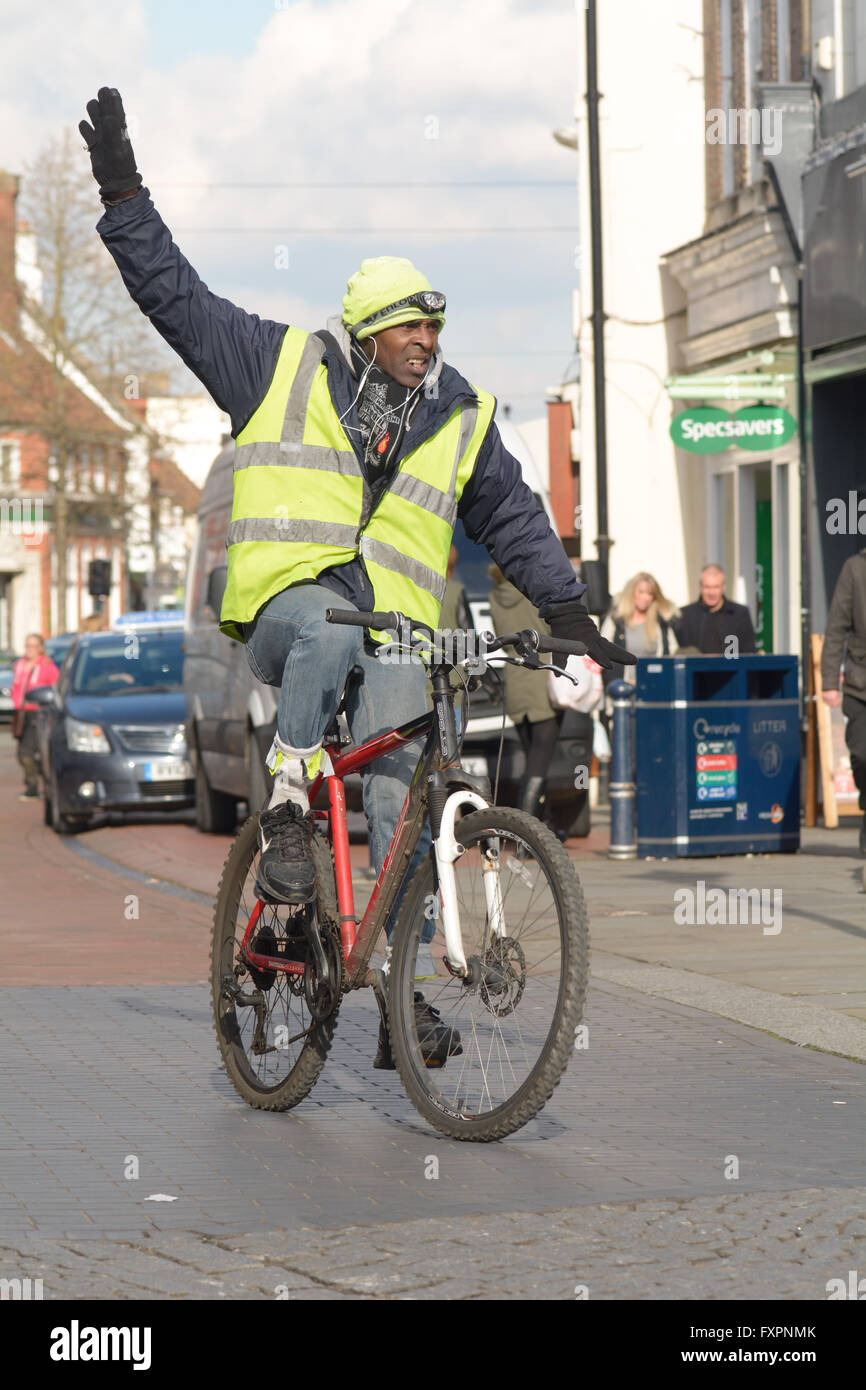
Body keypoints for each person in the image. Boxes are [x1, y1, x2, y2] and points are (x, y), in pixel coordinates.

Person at [80, 87, 633, 1061]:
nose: (426, 339)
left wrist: (569, 616)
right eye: (408, 326)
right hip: (286, 616)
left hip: (396, 636)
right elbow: (175, 296)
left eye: (435, 325)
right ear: (368, 331)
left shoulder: (455, 415)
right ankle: (288, 808)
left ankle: (393, 999)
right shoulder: (275, 365)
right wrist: (123, 192)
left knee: (400, 803)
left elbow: (511, 515)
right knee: (334, 625)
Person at [488, 565, 561, 822]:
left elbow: (501, 636)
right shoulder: (534, 592)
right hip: (543, 677)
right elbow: (551, 631)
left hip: (515, 678)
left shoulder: (495, 594)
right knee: (540, 760)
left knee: (532, 755)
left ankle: (545, 824)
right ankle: (526, 828)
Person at [821, 545, 866, 856]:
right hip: (860, 683)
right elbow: (836, 627)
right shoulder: (855, 568)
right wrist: (828, 682)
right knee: (862, 755)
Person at [600, 572, 679, 699]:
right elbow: (602, 650)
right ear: (632, 593)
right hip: (622, 691)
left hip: (653, 689)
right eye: (641, 592)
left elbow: (673, 652)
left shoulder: (661, 623)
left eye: (650, 594)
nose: (645, 597)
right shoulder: (617, 620)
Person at [11, 634, 59, 800]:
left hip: (38, 713)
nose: (29, 650)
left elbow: (55, 688)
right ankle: (45, 780)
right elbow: (16, 687)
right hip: (21, 713)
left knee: (27, 752)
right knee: (25, 752)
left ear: (40, 648)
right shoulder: (20, 664)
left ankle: (33, 787)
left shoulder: (47, 666)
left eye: (33, 646)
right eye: (27, 646)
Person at [674, 564, 756, 655]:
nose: (711, 592)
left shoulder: (739, 614)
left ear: (723, 586)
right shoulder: (685, 615)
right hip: (696, 669)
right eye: (707, 587)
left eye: (716, 587)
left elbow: (748, 652)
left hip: (730, 668)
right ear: (700, 586)